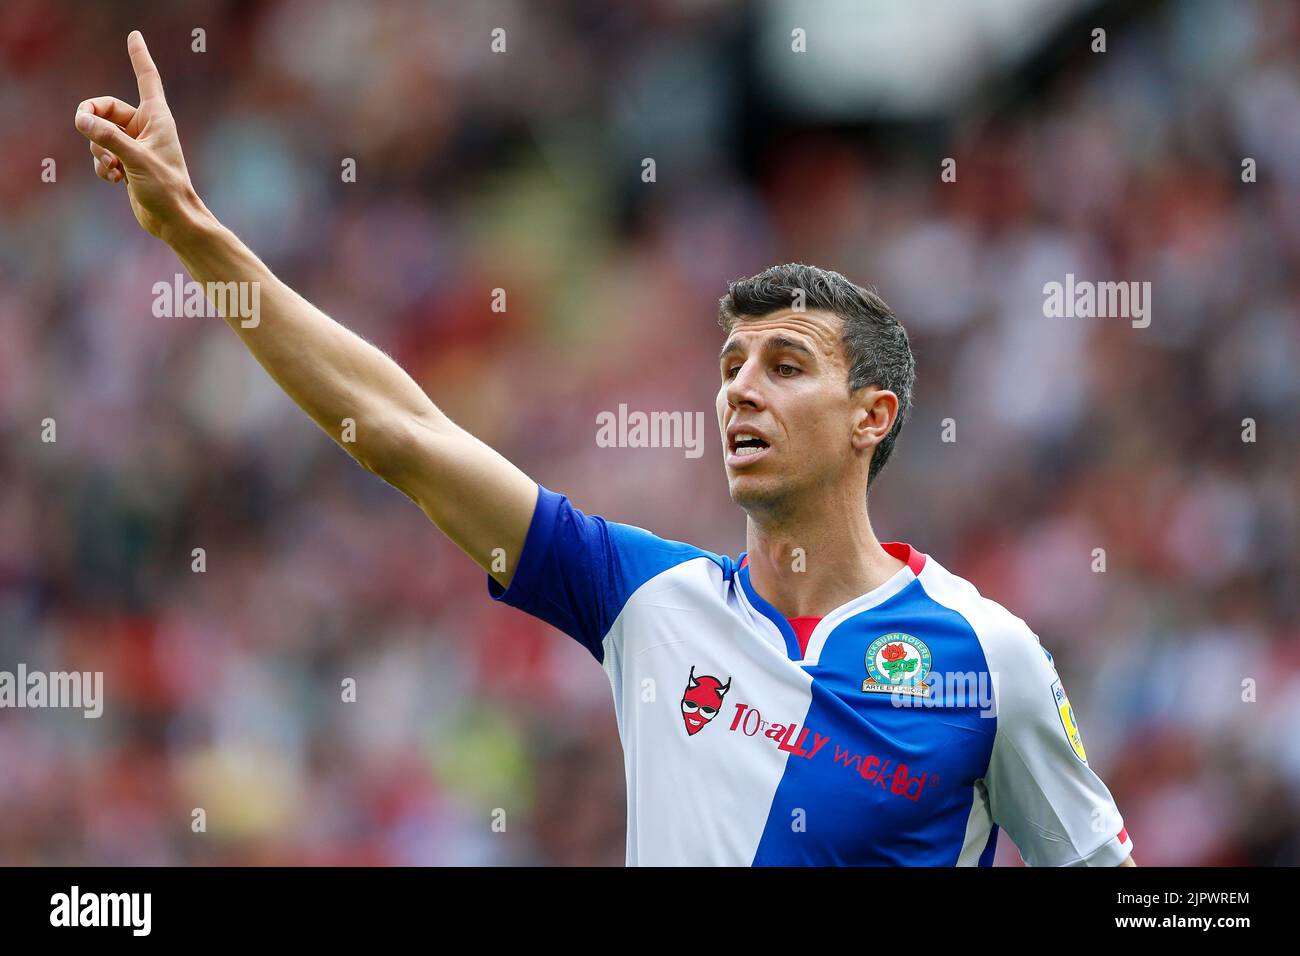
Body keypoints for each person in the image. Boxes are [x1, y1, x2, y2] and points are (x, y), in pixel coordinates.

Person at [76, 31, 1136, 866]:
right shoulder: (647, 599)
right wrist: (190, 230)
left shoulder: (985, 657)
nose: (739, 392)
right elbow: (401, 432)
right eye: (728, 367)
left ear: (873, 416)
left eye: (785, 365)